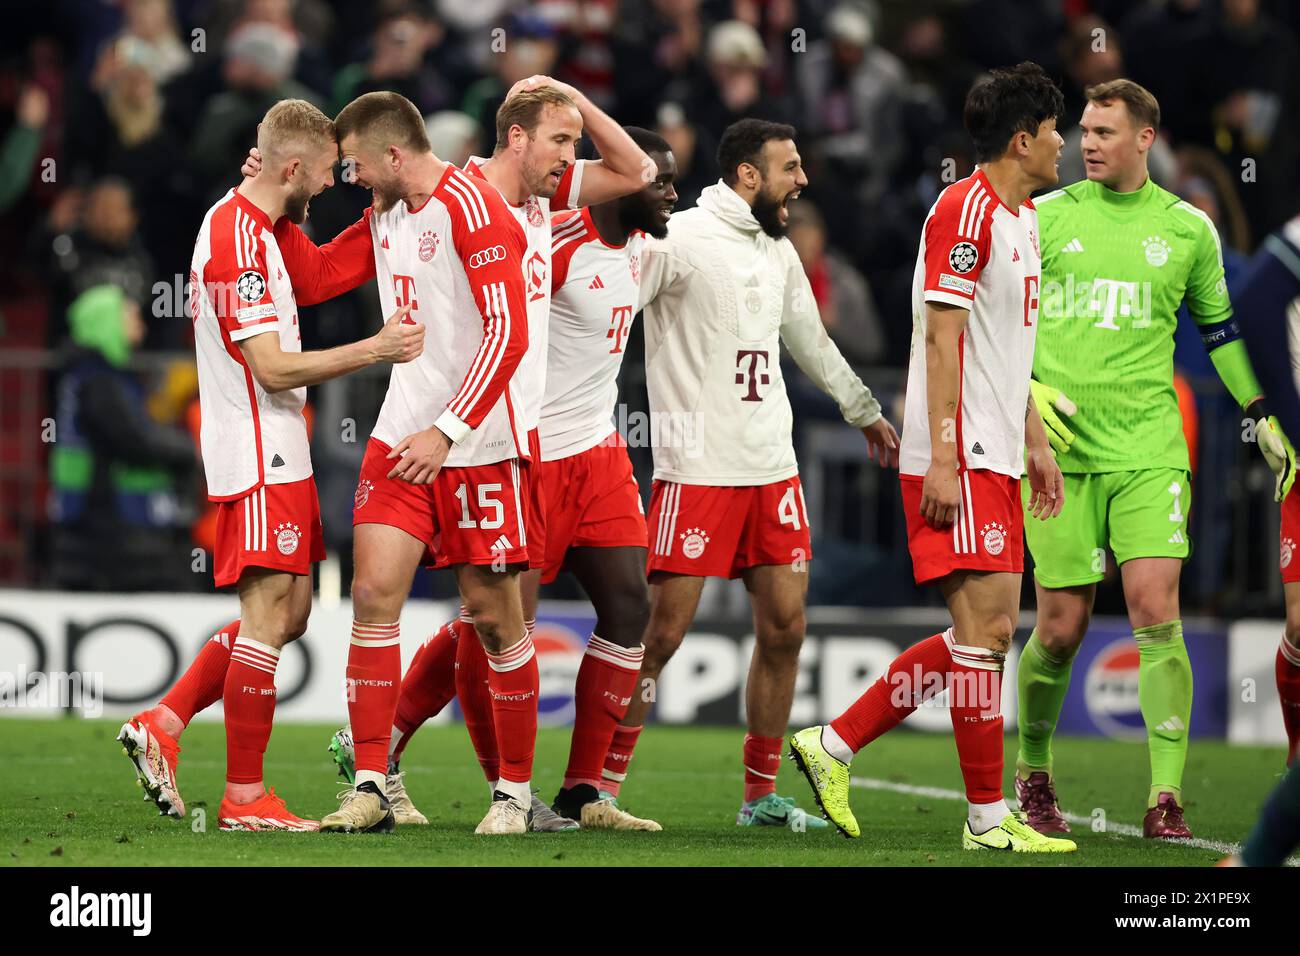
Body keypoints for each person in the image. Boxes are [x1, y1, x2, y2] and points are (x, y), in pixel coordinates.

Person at [339, 126, 677, 832]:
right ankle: (424, 760)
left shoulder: (650, 252)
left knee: (626, 608)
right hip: (522, 448)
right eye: (662, 180)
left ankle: (582, 791)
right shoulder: (551, 233)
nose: (669, 190)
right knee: (489, 620)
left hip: (597, 450)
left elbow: (643, 172)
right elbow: (500, 327)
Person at [789, 62, 1078, 853]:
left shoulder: (1022, 219)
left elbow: (1003, 353)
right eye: (1056, 131)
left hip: (995, 448)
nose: (1065, 144)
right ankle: (985, 818)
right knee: (985, 633)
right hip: (958, 451)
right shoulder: (964, 209)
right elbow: (944, 342)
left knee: (981, 636)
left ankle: (836, 744)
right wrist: (946, 456)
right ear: (1024, 139)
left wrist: (1036, 441)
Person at [116, 99, 423, 832]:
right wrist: (374, 349)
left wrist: (381, 216)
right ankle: (245, 798)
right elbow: (274, 367)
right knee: (264, 618)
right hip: (255, 443)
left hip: (278, 443)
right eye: (320, 177)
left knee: (291, 611)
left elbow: (315, 277)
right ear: (291, 168)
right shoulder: (236, 240)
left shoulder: (261, 226)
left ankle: (163, 722)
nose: (326, 189)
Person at [1013, 79, 1292, 839]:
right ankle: (1033, 773)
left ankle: (1164, 797)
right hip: (1060, 454)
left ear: (1145, 138)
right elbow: (996, 318)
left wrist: (1258, 409)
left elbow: (1221, 332)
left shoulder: (1189, 230)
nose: (1086, 143)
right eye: (1083, 131)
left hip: (1149, 448)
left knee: (1153, 611)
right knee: (1063, 626)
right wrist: (1025, 392)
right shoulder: (1040, 218)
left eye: (1104, 131)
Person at [606, 117, 899, 829]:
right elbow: (609, 314)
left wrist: (863, 409)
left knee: (785, 627)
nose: (802, 179)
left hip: (772, 466)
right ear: (747, 174)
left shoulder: (778, 249)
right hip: (698, 466)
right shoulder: (679, 239)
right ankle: (598, 784)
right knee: (663, 635)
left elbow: (810, 339)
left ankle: (759, 795)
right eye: (790, 166)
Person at [47, 285, 197, 592]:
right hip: (106, 521)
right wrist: (188, 451)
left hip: (96, 518)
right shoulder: (99, 381)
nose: (139, 324)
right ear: (107, 321)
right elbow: (135, 438)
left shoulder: (88, 375)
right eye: (129, 316)